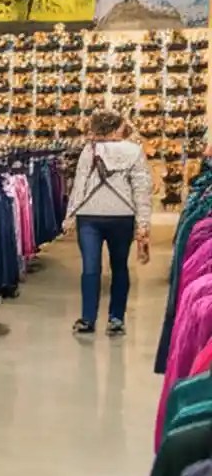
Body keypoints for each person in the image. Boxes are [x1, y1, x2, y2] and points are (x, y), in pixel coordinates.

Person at [64, 110, 152, 336]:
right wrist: (143, 224)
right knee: (120, 267)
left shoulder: (89, 150)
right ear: (117, 128)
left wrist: (70, 215)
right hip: (122, 216)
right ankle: (116, 318)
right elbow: (141, 189)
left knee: (91, 268)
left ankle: (87, 318)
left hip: (89, 215)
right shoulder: (134, 151)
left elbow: (79, 185)